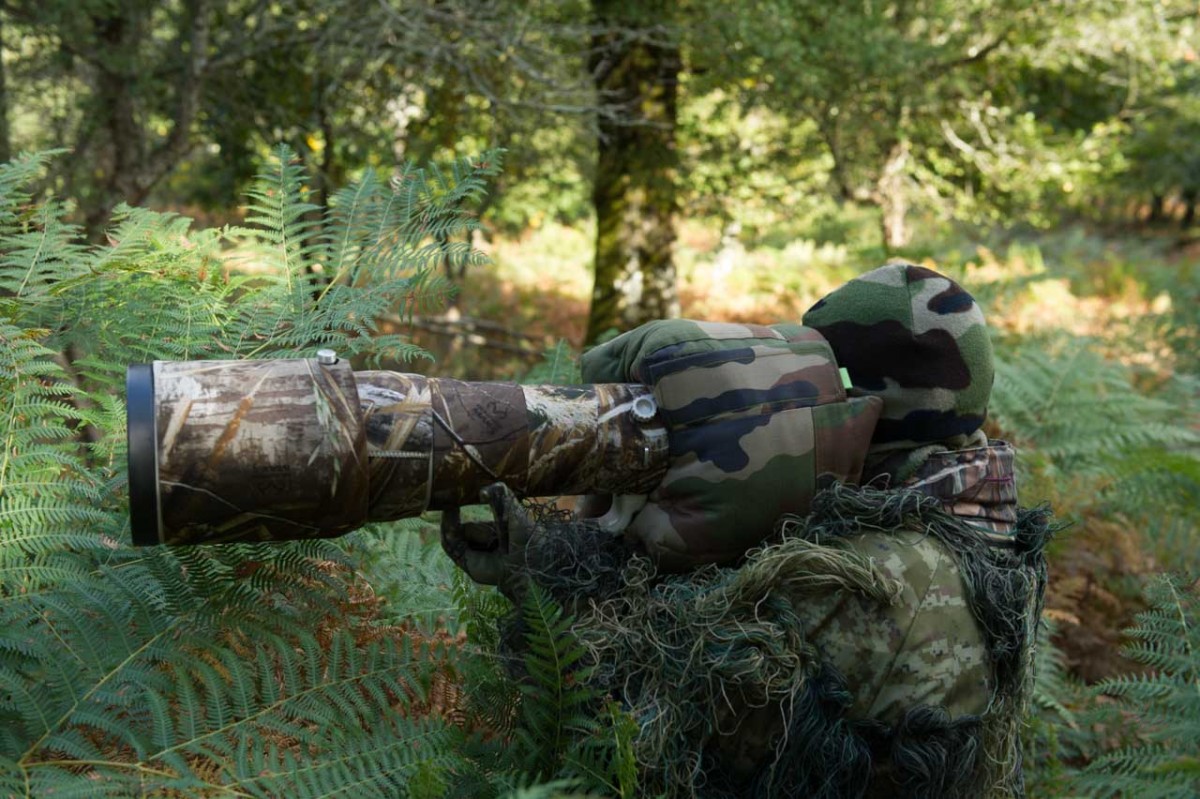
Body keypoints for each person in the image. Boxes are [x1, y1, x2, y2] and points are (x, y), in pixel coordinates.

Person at [442, 263, 1051, 798]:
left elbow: (658, 724)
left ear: (861, 409)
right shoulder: (981, 523)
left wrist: (544, 577)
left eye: (821, 383)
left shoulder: (878, 576)